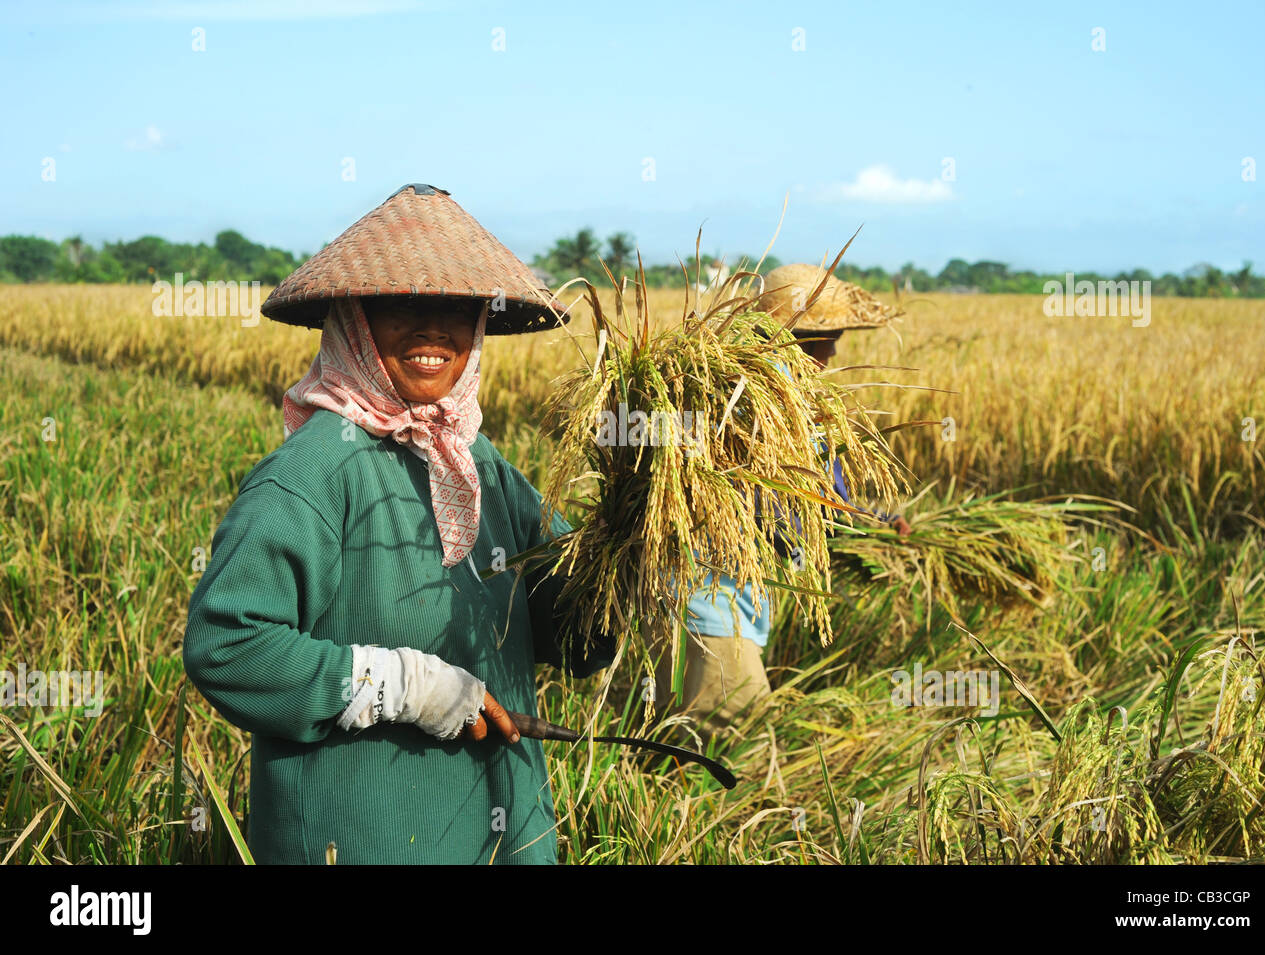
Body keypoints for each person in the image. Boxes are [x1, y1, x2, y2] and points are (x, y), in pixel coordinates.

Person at [183, 183, 611, 865]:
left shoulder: (484, 468)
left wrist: (631, 551)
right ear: (353, 318)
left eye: (455, 307)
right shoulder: (313, 473)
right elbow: (227, 645)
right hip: (357, 835)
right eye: (402, 302)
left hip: (499, 826)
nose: (433, 327)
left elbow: (569, 632)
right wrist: (397, 686)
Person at [651, 264, 910, 735]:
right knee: (742, 745)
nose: (834, 349)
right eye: (824, 337)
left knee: (680, 749)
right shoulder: (738, 402)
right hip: (709, 603)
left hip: (707, 604)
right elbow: (779, 501)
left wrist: (874, 523)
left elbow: (821, 502)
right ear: (792, 339)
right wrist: (841, 521)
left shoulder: (797, 408)